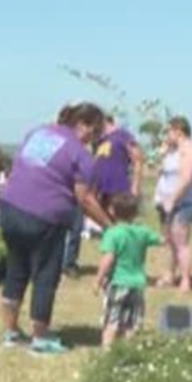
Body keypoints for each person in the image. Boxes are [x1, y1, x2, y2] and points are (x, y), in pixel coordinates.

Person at [0, 102, 112, 356]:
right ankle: (40, 338)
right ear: (82, 125)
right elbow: (85, 198)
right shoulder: (80, 154)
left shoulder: (37, 132)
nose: (94, 140)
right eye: (94, 133)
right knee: (45, 277)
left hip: (9, 208)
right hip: (44, 217)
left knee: (16, 270)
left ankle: (10, 332)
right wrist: (108, 225)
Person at [63, 115, 147, 278]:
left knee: (122, 231)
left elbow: (137, 158)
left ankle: (128, 265)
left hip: (120, 191)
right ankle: (111, 266)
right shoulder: (99, 142)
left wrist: (135, 187)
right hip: (103, 193)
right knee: (109, 232)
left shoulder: (122, 135)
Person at [93, 193, 162, 349]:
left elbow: (108, 259)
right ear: (135, 213)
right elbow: (161, 240)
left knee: (111, 321)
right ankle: (128, 352)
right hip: (137, 285)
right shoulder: (142, 232)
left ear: (111, 211)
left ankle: (107, 353)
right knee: (131, 323)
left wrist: (98, 280)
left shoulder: (113, 233)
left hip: (118, 283)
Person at [153, 116, 192, 294]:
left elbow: (186, 179)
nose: (166, 135)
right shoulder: (171, 150)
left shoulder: (191, 151)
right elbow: (158, 171)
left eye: (168, 131)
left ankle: (186, 280)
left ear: (178, 132)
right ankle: (169, 275)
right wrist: (162, 154)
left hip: (184, 202)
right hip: (165, 202)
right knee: (169, 241)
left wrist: (172, 200)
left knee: (181, 241)